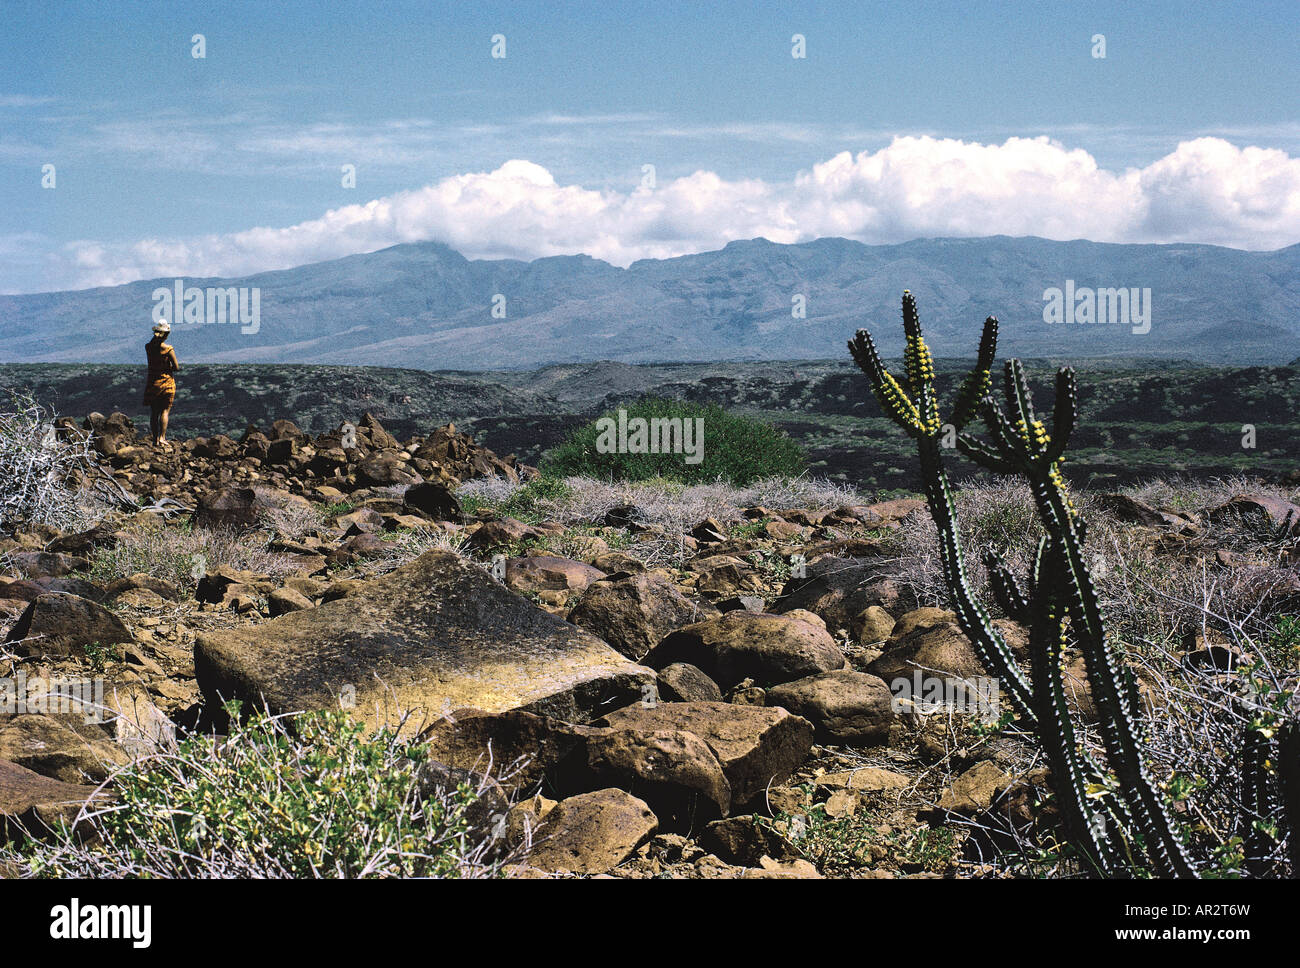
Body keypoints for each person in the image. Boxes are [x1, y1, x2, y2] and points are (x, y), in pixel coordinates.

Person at [142, 320, 179, 447]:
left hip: (153, 383)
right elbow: (176, 367)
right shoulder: (168, 349)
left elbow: (153, 345)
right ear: (166, 334)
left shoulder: (148, 347)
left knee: (154, 412)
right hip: (167, 383)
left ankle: (155, 439)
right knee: (165, 411)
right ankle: (162, 438)